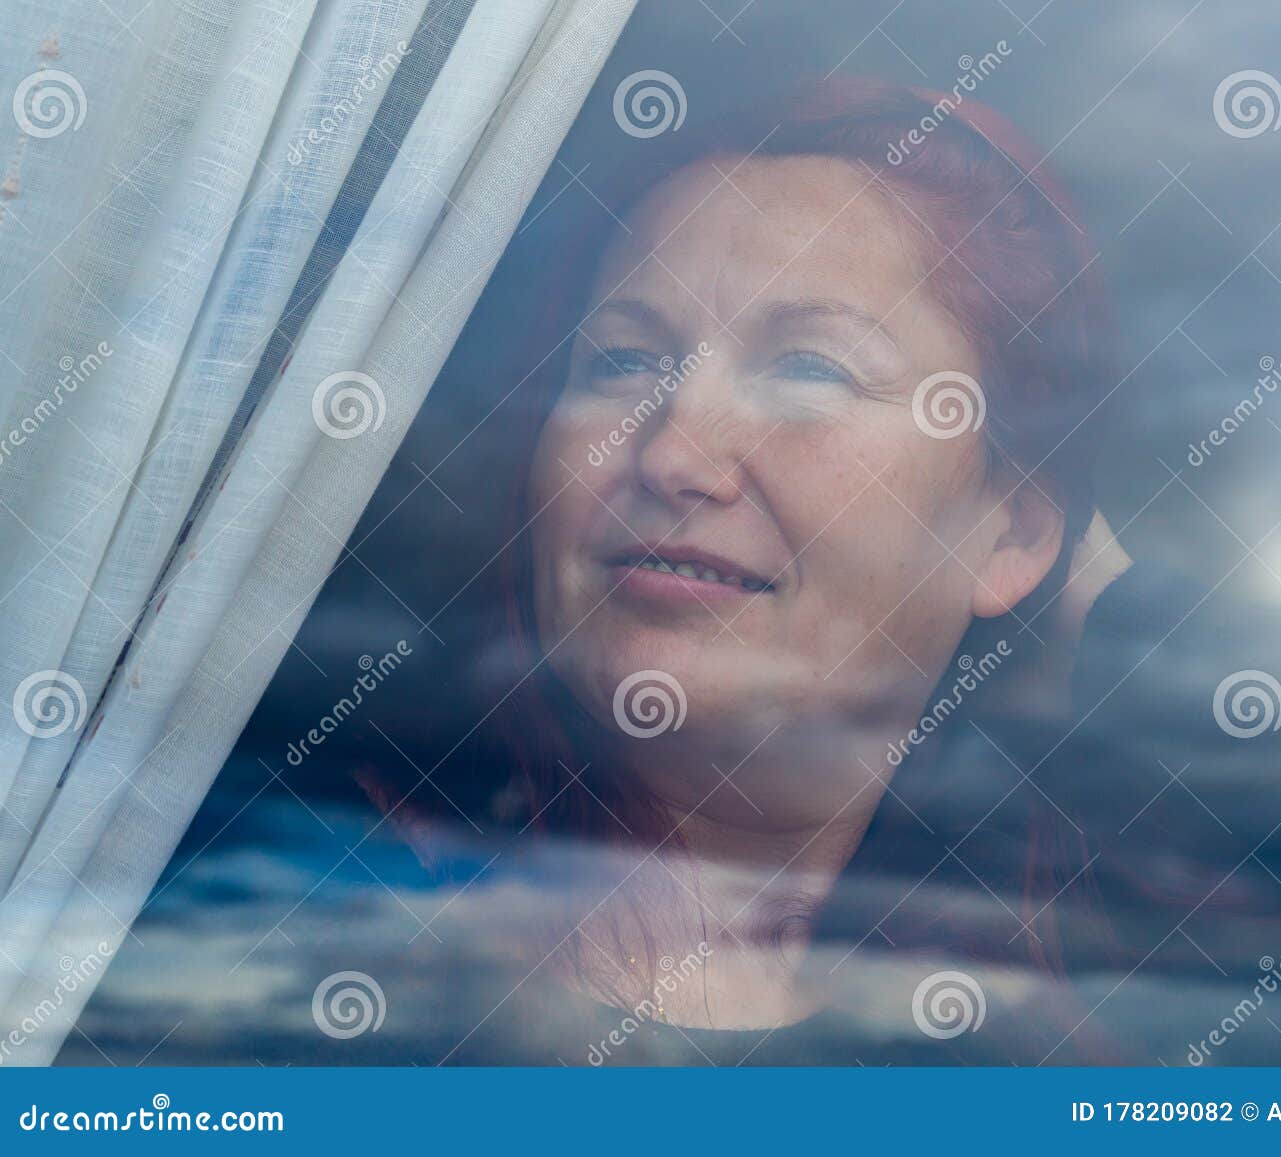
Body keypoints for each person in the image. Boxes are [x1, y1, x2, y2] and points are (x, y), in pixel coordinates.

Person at [371, 75, 1143, 1065]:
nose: (672, 452)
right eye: (619, 361)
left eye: (811, 370)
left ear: (1011, 539)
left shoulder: (1047, 1066)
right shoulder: (297, 920)